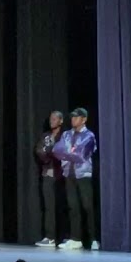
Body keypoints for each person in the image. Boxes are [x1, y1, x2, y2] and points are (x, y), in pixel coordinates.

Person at [53, 107, 98, 251]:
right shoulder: (66, 134)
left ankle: (93, 239)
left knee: (87, 206)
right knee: (73, 207)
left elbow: (82, 154)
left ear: (83, 119)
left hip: (83, 175)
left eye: (76, 117)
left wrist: (69, 152)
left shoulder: (89, 135)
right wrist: (70, 152)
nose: (73, 119)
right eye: (72, 117)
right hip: (69, 174)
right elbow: (57, 150)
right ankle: (75, 239)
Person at [34, 110, 65, 247]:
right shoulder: (45, 136)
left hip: (62, 175)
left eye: (55, 118)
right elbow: (39, 151)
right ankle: (50, 237)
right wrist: (49, 156)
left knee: (64, 206)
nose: (52, 121)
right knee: (49, 207)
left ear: (61, 121)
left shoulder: (65, 136)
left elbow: (62, 152)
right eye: (51, 118)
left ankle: (66, 236)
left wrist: (50, 153)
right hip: (47, 173)